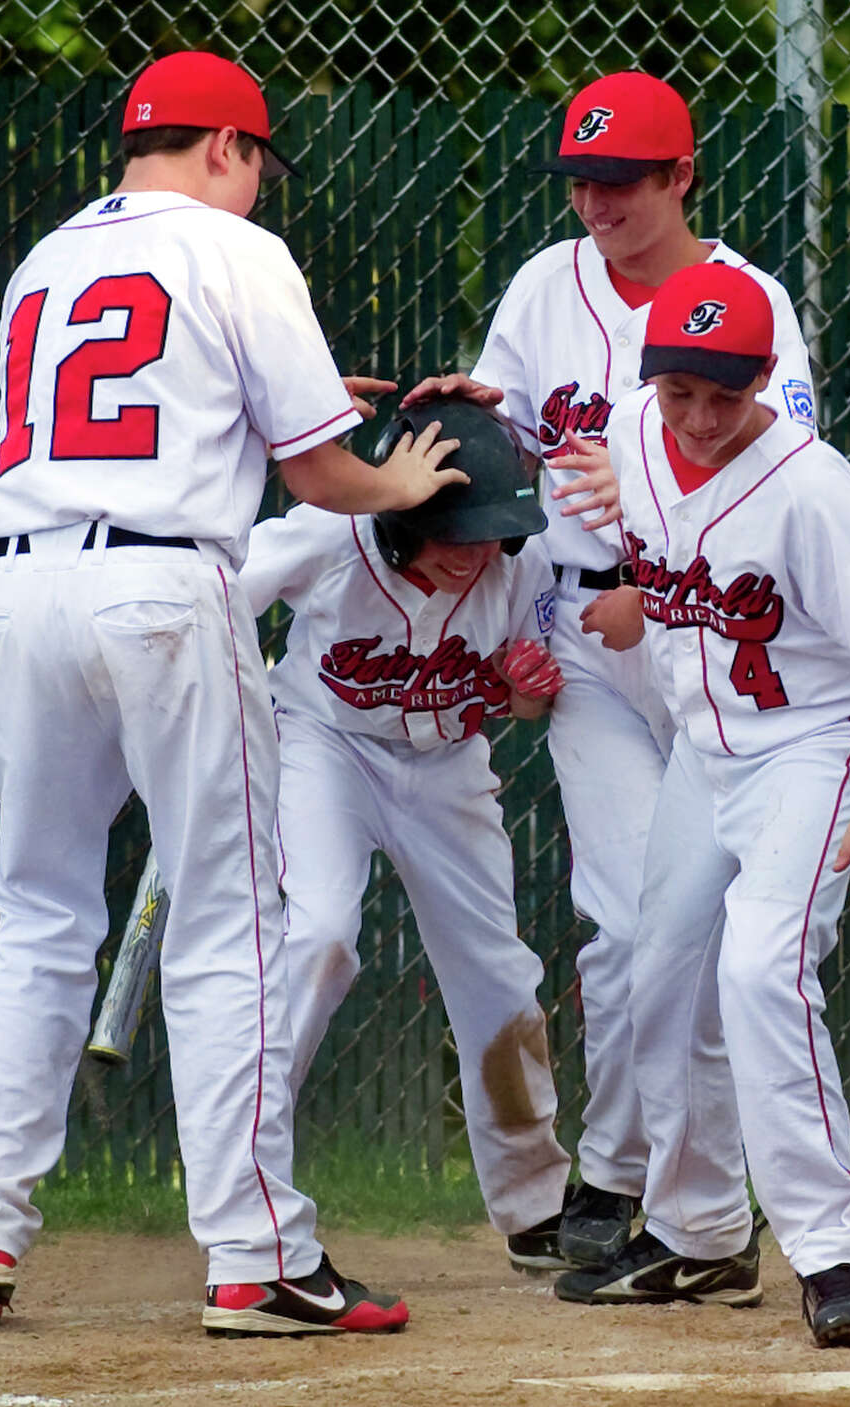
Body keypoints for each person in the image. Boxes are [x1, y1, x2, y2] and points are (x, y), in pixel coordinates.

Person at [0, 50, 462, 1337]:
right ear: (227, 147)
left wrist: (284, 413)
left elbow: (139, 407)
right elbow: (325, 478)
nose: (258, 189)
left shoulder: (46, 260)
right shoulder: (239, 251)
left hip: (25, 587)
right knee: (232, 918)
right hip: (164, 595)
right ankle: (256, 1255)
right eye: (257, 165)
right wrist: (404, 482)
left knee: (39, 912)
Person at [401, 70, 819, 1269]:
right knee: (627, 925)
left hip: (703, 633)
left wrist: (645, 500)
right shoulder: (545, 285)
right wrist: (474, 416)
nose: (597, 202)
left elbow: (780, 469)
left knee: (699, 924)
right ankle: (628, 1172)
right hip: (582, 635)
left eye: (622, 181)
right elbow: (503, 447)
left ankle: (679, 1191)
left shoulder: (748, 300)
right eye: (581, 180)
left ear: (681, 176)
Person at [553, 262, 850, 1348]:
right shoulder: (639, 430)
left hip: (822, 746)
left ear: (768, 380)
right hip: (709, 744)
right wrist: (651, 602)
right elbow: (689, 557)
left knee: (759, 969)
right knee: (660, 964)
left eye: (722, 394)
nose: (696, 414)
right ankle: (700, 1235)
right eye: (678, 389)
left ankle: (841, 1257)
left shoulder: (810, 484)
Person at [237, 398, 576, 1273]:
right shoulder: (329, 534)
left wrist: (521, 685)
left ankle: (538, 1204)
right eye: (452, 529)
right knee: (318, 938)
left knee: (499, 978)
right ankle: (244, 1170)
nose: (475, 550)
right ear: (395, 514)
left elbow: (527, 701)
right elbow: (216, 600)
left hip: (449, 763)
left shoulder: (519, 562)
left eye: (489, 530)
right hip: (326, 749)